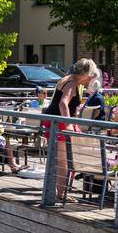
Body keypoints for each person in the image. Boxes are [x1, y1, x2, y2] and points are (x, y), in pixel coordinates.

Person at [44, 59, 100, 200]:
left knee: (66, 159)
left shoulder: (67, 79)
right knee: (65, 161)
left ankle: (61, 191)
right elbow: (63, 103)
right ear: (86, 73)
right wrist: (69, 124)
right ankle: (60, 194)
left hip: (55, 122)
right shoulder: (72, 83)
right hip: (61, 124)